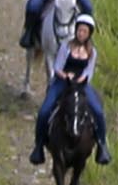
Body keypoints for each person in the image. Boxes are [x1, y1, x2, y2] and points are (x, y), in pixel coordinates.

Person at [31, 12, 109, 166]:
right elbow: (57, 66)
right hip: (62, 82)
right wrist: (66, 75)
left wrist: (81, 79)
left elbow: (89, 71)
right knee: (45, 110)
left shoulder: (92, 52)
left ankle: (102, 145)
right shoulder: (66, 46)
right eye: (79, 30)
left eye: (84, 31)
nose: (81, 33)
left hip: (81, 84)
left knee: (98, 111)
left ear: (89, 34)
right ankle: (39, 146)